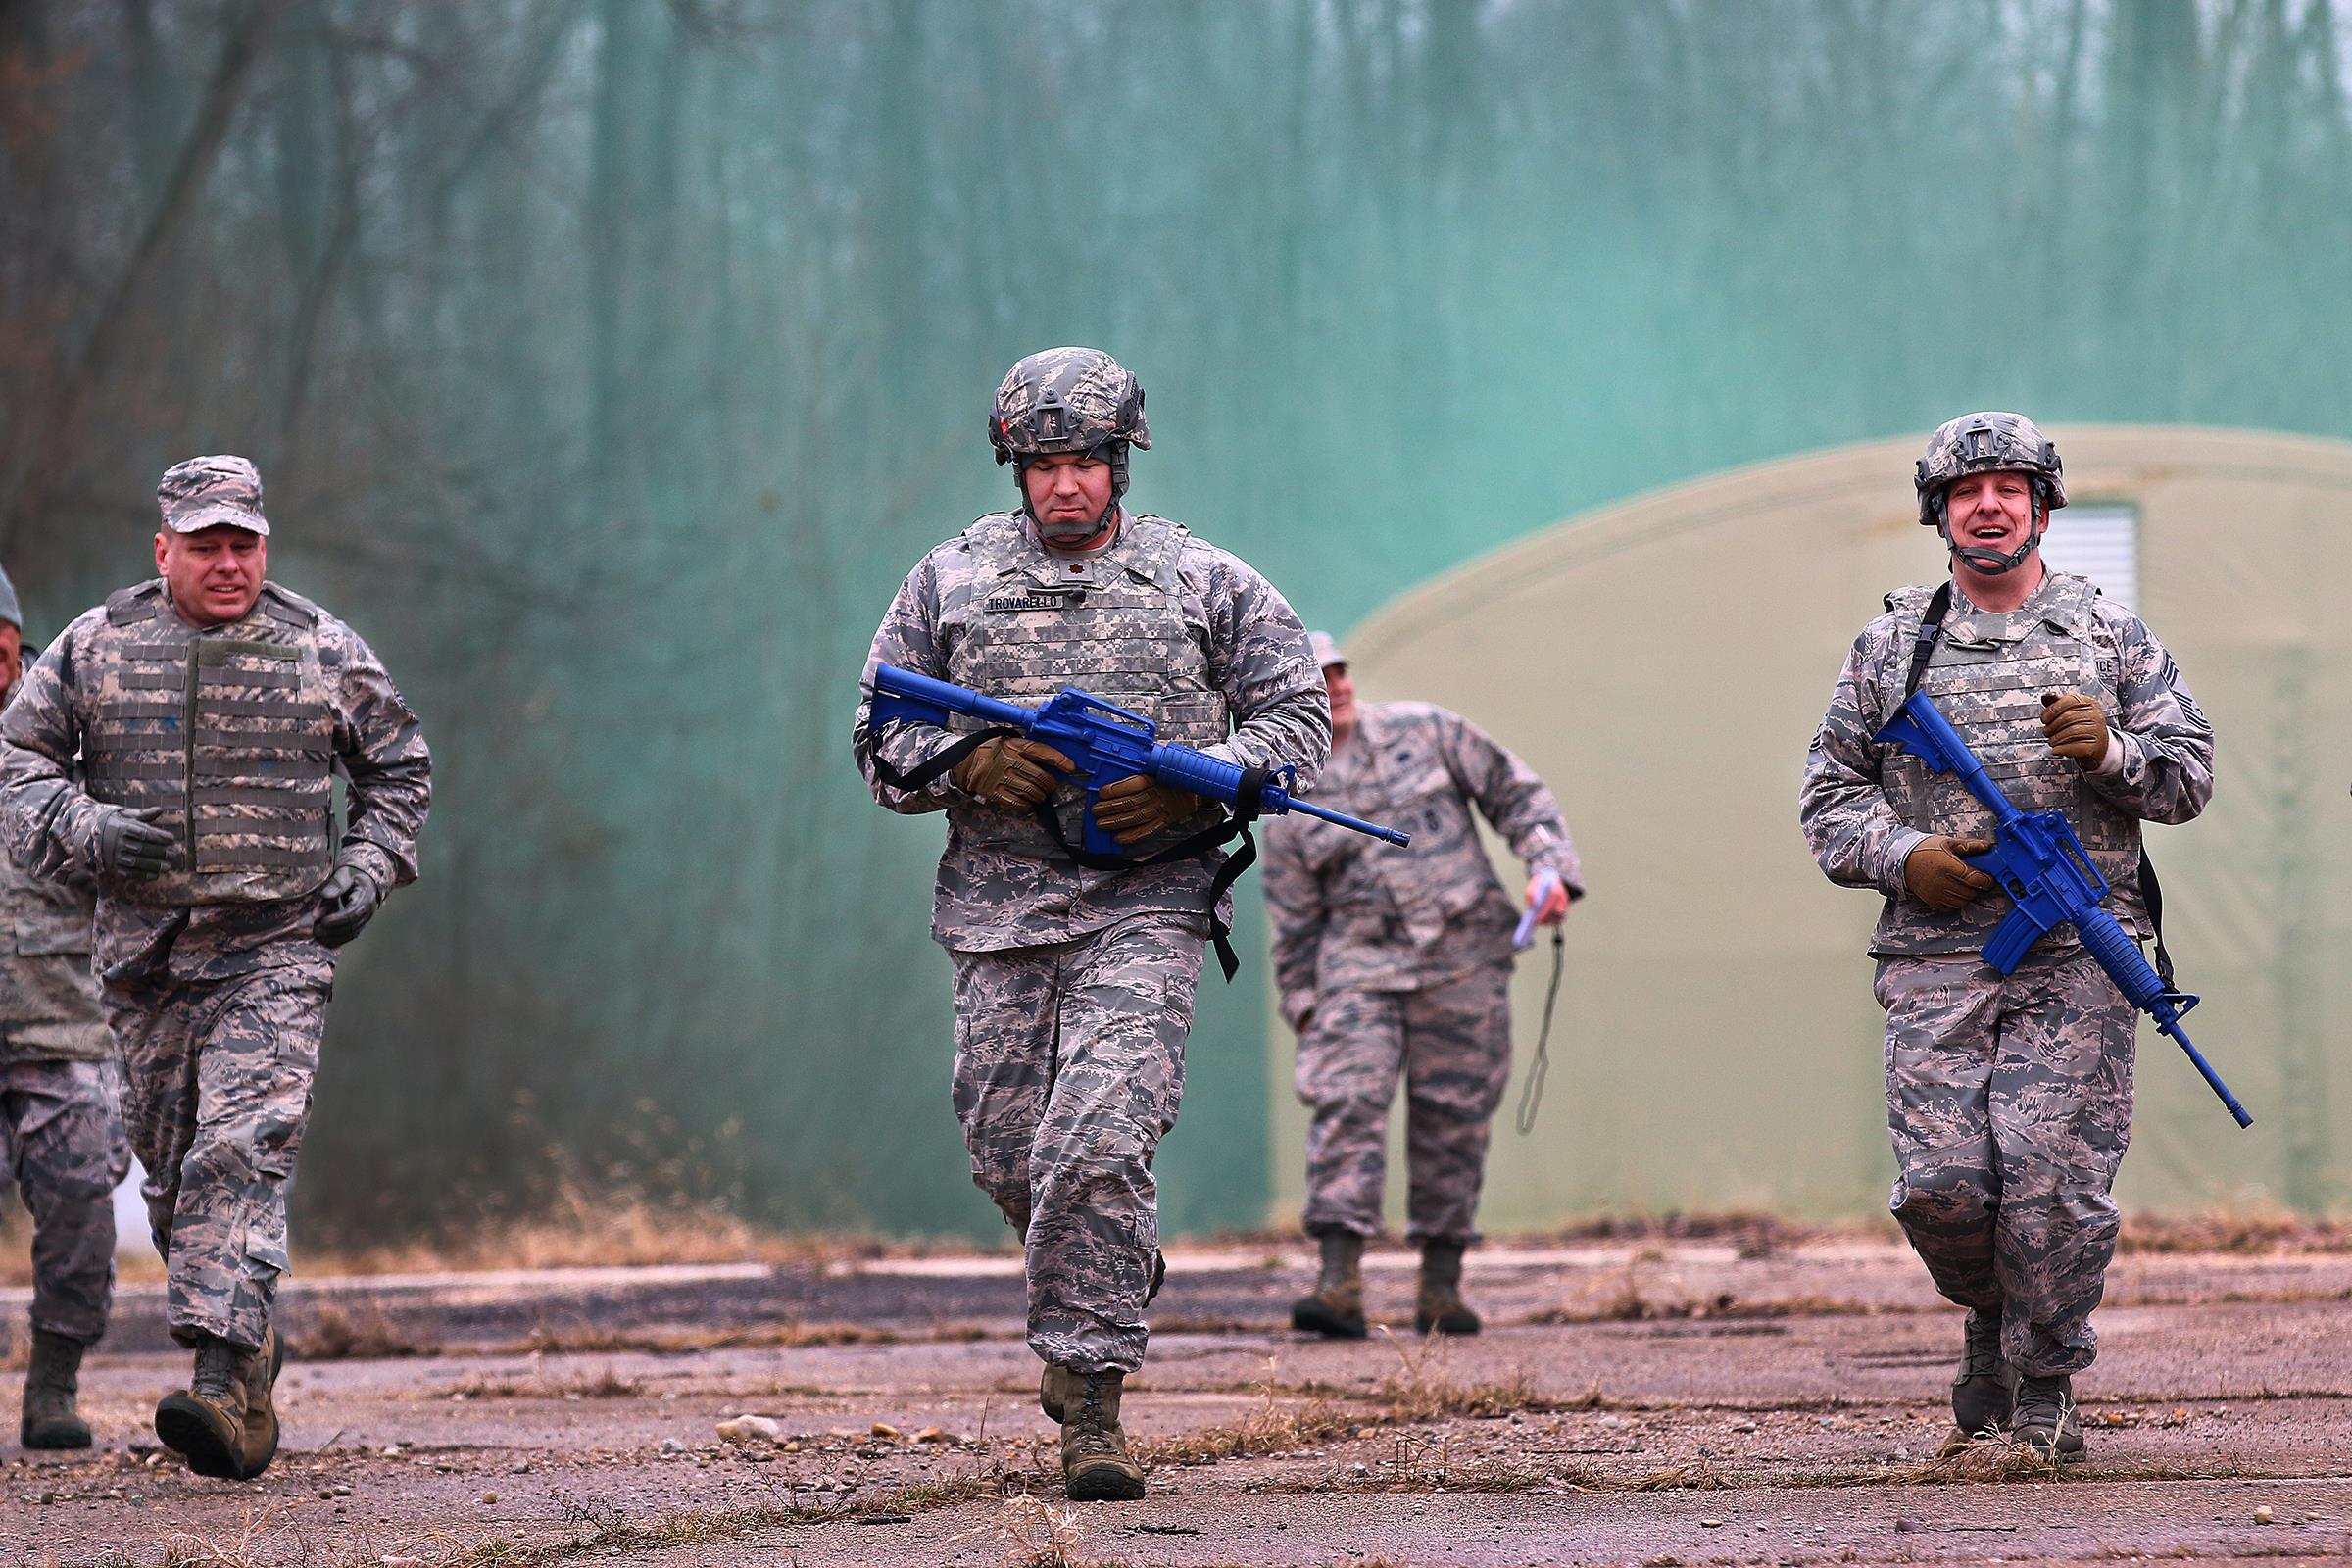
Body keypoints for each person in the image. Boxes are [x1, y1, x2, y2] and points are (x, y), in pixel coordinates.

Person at [853, 348, 1328, 1500]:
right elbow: (879, 732)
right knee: (1009, 1153)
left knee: (1102, 1141)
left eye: (1086, 463)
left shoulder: (1202, 580)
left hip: (1148, 904)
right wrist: (972, 763)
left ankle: (1093, 1399)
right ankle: (1107, 1264)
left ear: (1123, 463)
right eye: (1044, 464)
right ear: (1014, 465)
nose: (1065, 486)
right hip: (999, 914)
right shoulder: (948, 581)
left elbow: (1298, 716)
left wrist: (1204, 781)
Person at [0, 456, 431, 1479]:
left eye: (243, 542)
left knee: (243, 1146)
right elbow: (18, 764)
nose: (228, 562)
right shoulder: (96, 649)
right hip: (143, 968)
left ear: (263, 545)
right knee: (178, 1176)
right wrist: (87, 827)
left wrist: (369, 867)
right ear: (165, 551)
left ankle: (220, 1381)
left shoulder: (319, 647)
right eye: (207, 545)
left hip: (274, 950)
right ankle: (246, 1346)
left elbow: (399, 765)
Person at [1799, 413, 2214, 1460]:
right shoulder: (1894, 646)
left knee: (2053, 1189)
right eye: (1968, 488)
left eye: (2010, 487)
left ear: (2042, 505)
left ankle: (2043, 1380)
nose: (1990, 503)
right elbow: (1828, 800)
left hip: (2080, 954)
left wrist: (2115, 753)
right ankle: (1989, 1313)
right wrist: (1905, 857)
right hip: (1939, 957)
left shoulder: (2113, 636)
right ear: (1940, 510)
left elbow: (2190, 777)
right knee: (1945, 1189)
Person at [1265, 632, 1580, 1340]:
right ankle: (1338, 1283)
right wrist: (1304, 1002)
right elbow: (1292, 914)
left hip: (1463, 954)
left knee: (1454, 1115)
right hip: (1357, 964)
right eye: (1319, 676)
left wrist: (1548, 867)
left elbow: (1517, 793)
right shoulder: (1286, 788)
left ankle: (1441, 1286)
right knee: (1347, 1104)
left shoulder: (1426, 731)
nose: (1336, 683)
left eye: (1341, 669)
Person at [0, 565, 130, 1449]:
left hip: (63, 1020)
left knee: (81, 1206)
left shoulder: (69, 736)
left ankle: (54, 1383)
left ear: (15, 637)